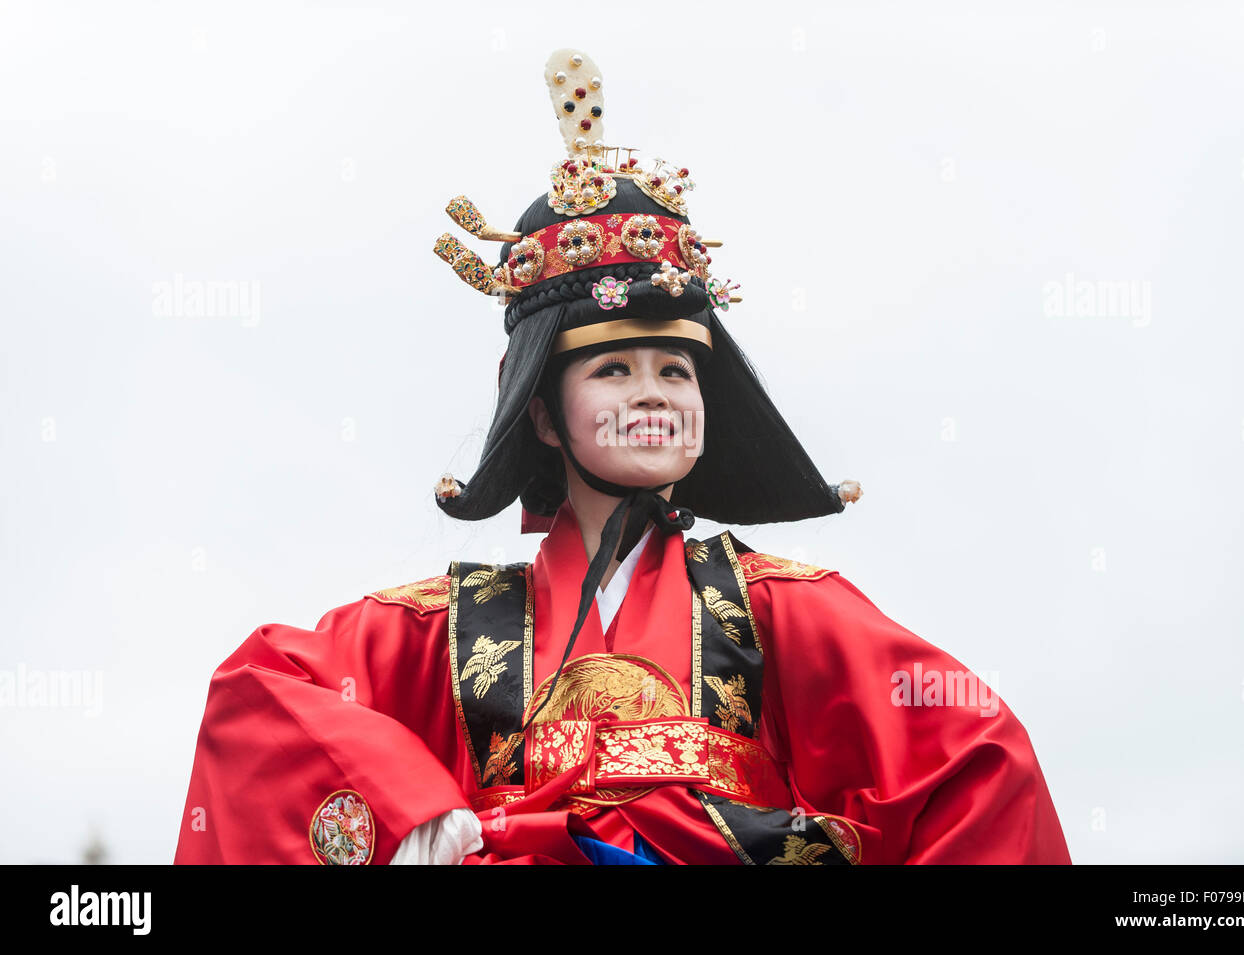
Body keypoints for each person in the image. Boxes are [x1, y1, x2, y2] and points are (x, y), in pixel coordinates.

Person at [174, 48, 1071, 865]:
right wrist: (418, 819)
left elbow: (981, 762)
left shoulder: (779, 612)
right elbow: (256, 696)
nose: (654, 394)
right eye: (612, 367)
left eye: (675, 369)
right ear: (543, 414)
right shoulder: (446, 632)